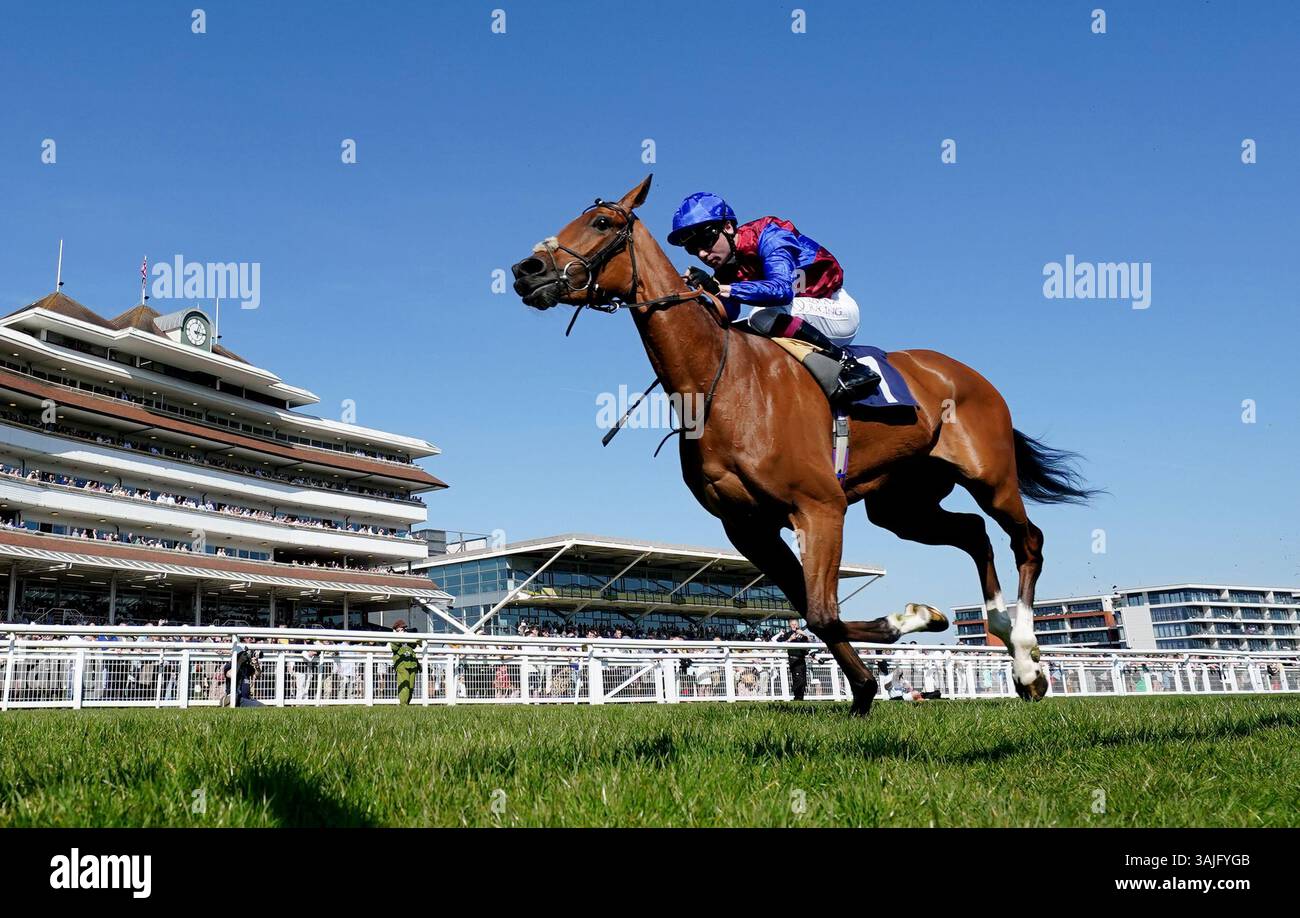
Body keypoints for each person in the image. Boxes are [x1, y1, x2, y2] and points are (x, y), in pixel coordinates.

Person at [667, 191, 880, 405]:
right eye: (692, 249)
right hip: (800, 313)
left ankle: (850, 365)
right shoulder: (727, 266)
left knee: (760, 317)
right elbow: (728, 315)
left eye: (705, 240)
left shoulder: (770, 234)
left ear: (728, 227)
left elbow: (781, 290)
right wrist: (702, 295)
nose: (702, 254)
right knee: (740, 331)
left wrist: (721, 288)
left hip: (836, 310)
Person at [774, 617, 812, 700]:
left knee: (803, 680)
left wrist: (804, 634)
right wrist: (790, 639)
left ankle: (800, 699)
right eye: (792, 625)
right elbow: (777, 642)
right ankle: (794, 694)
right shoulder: (788, 634)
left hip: (802, 659)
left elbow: (810, 642)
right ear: (790, 625)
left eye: (796, 624)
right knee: (798, 679)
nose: (794, 626)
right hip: (793, 659)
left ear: (798, 625)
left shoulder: (802, 634)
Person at [390, 620, 421, 705]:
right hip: (401, 664)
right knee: (404, 685)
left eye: (404, 628)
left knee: (411, 686)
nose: (403, 630)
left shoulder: (408, 636)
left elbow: (417, 644)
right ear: (396, 629)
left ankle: (407, 703)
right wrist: (399, 636)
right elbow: (394, 647)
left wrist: (411, 637)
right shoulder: (392, 637)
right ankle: (403, 704)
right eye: (401, 628)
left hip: (412, 663)